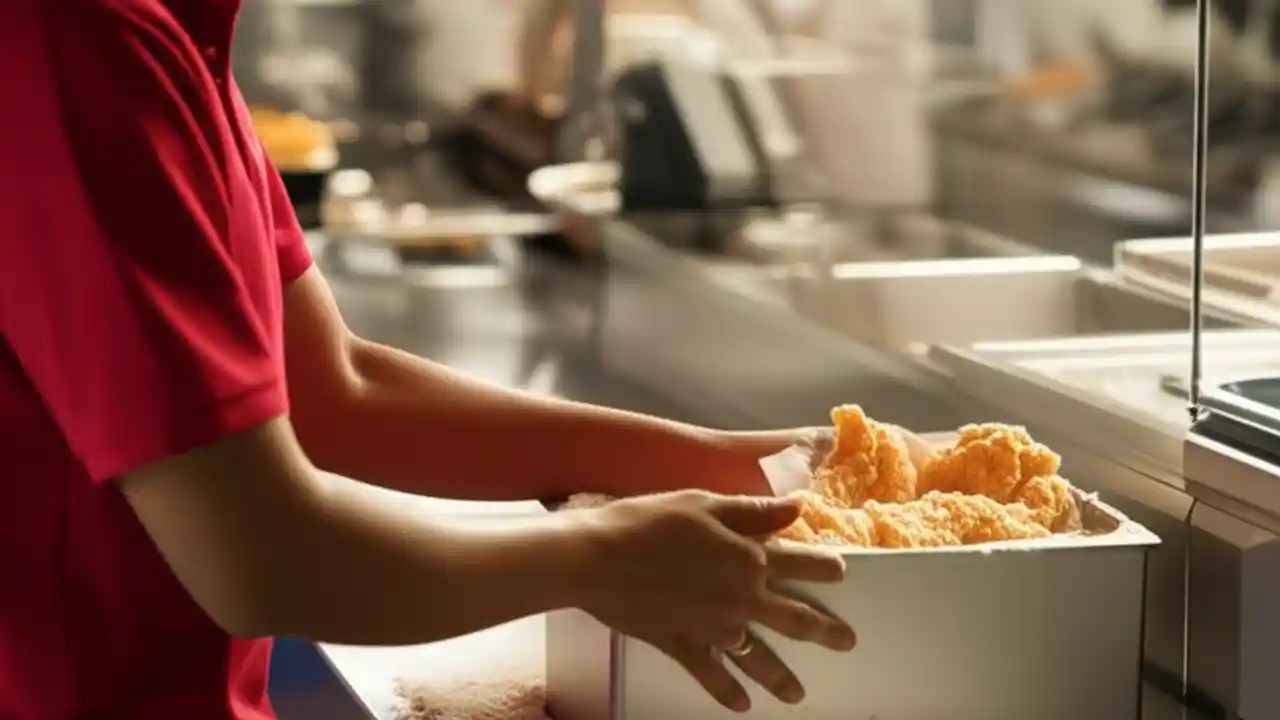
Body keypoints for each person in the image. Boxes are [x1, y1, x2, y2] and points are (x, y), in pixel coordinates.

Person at [0, 1, 857, 718]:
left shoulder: (172, 33)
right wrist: (599, 556)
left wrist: (741, 464)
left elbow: (337, 389)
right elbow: (261, 557)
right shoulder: (71, 37)